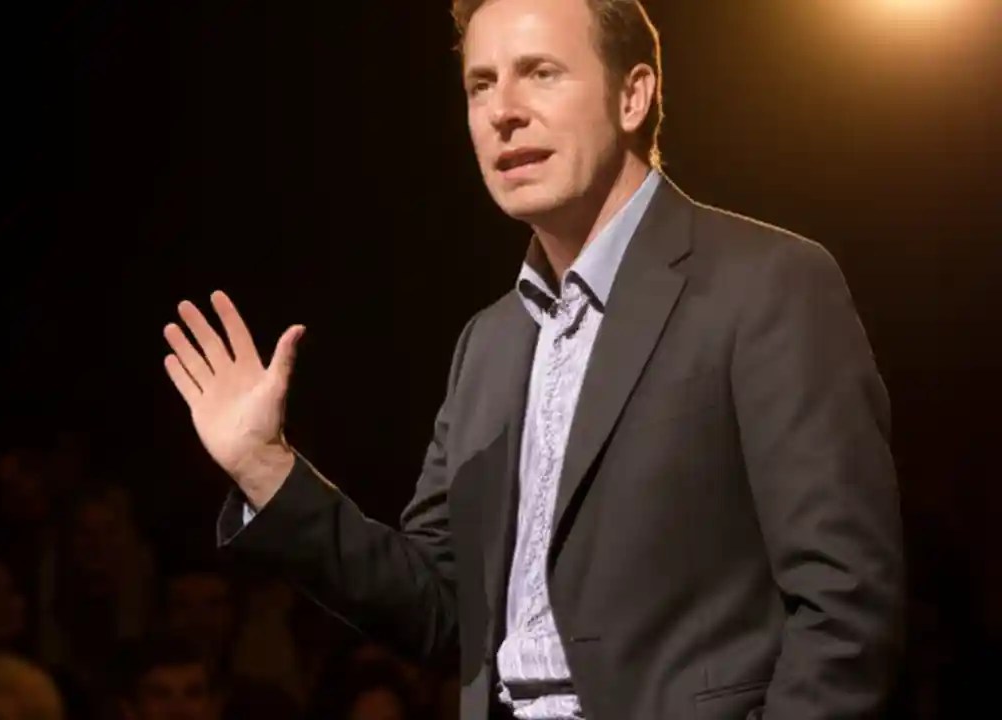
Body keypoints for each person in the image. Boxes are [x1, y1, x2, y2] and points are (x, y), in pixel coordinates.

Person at [161, 0, 905, 717]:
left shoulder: (765, 284)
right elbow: (441, 608)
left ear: (633, 95)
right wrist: (265, 468)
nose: (502, 110)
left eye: (541, 72)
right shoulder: (488, 343)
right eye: (480, 83)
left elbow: (846, 601)